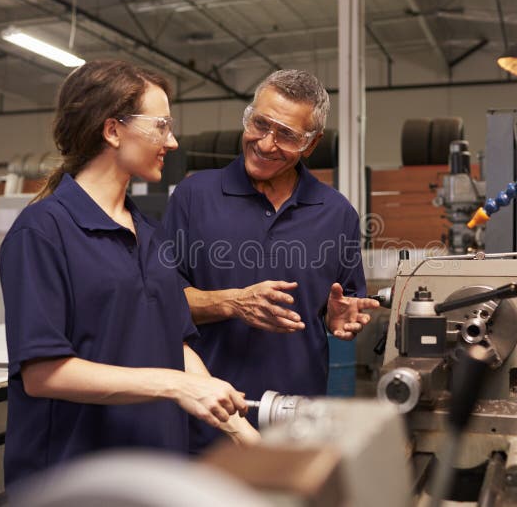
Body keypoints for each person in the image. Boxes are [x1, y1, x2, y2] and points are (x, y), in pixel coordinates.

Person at [0, 60, 258, 487]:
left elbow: (177, 346)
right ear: (113, 129)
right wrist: (174, 386)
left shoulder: (150, 236)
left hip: (153, 475)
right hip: (73, 482)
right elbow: (44, 373)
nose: (171, 142)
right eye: (160, 126)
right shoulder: (42, 231)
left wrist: (245, 436)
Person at [163, 69, 380, 454]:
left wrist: (340, 318)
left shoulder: (336, 213)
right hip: (205, 419)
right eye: (260, 124)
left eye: (287, 135)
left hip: (297, 422)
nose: (266, 143)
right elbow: (159, 305)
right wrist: (231, 303)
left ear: (310, 145)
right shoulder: (194, 196)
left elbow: (343, 305)